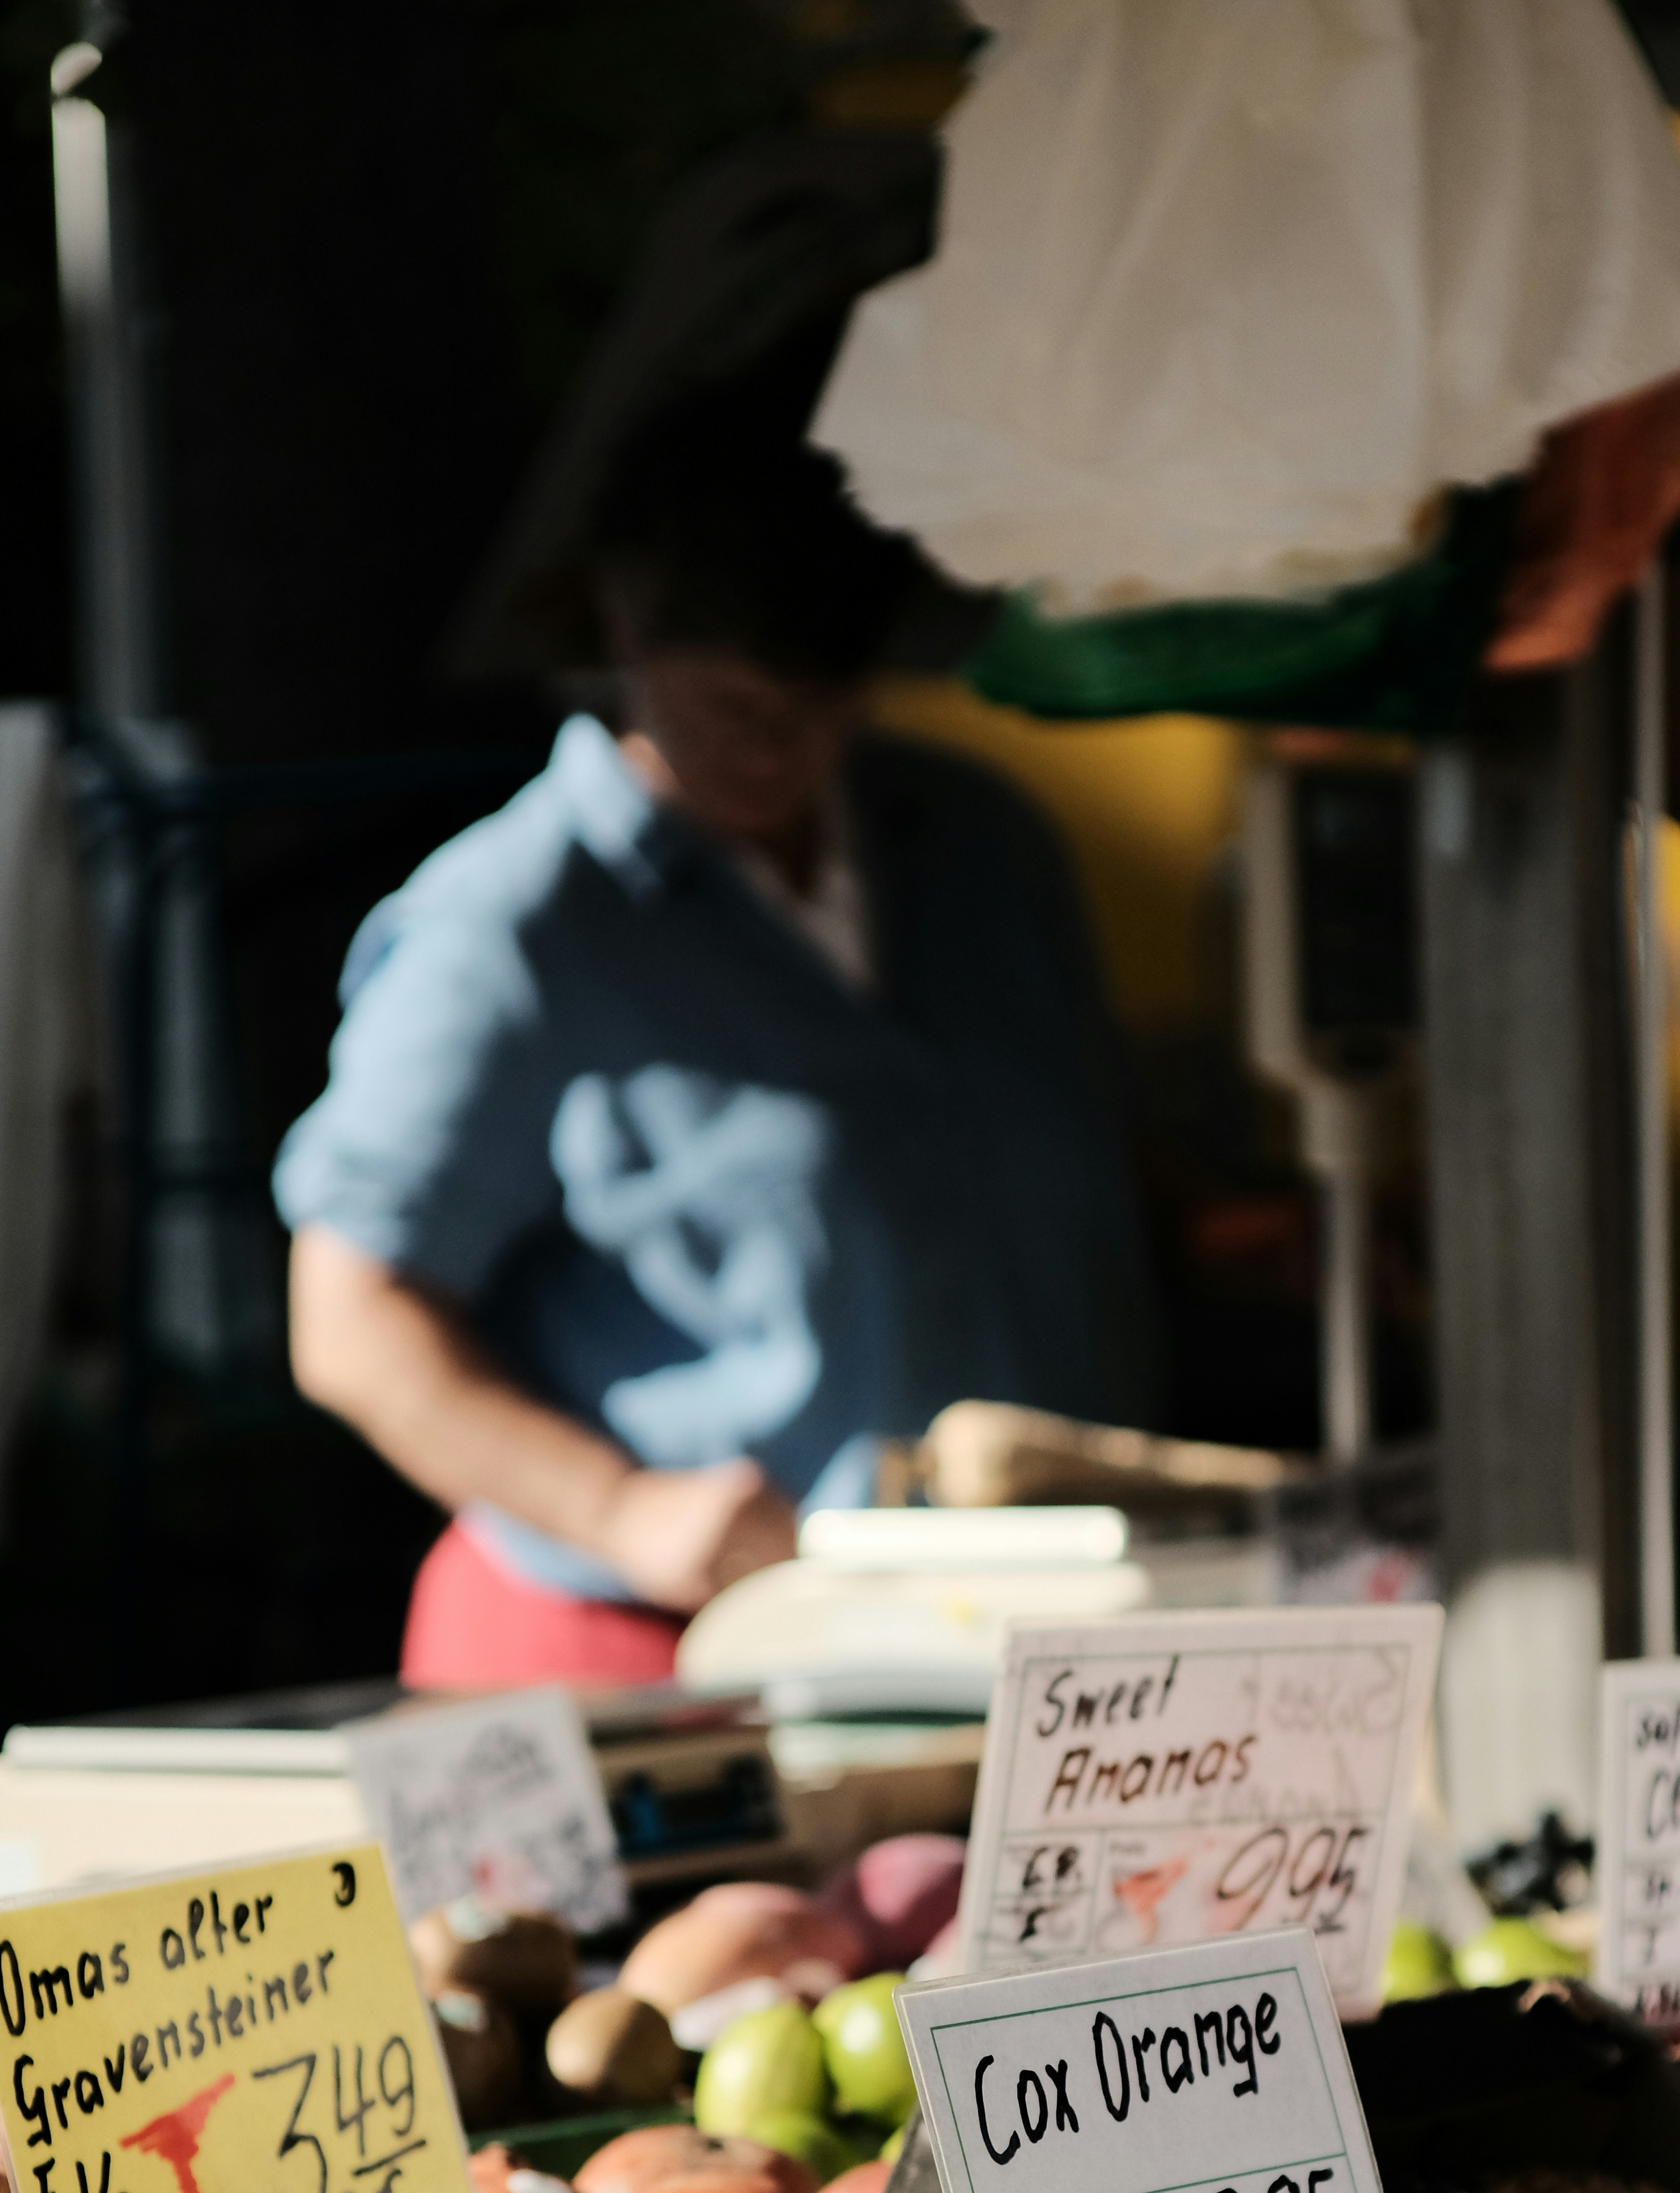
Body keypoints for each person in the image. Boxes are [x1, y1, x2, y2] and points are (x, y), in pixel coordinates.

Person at [277, 392, 1154, 1687]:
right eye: (734, 702)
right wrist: (620, 1508)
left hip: (1031, 1619)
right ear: (625, 627)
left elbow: (1090, 1160)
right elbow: (352, 1320)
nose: (779, 748)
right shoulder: (513, 926)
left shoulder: (981, 845)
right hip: (683, 1648)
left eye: (823, 705)